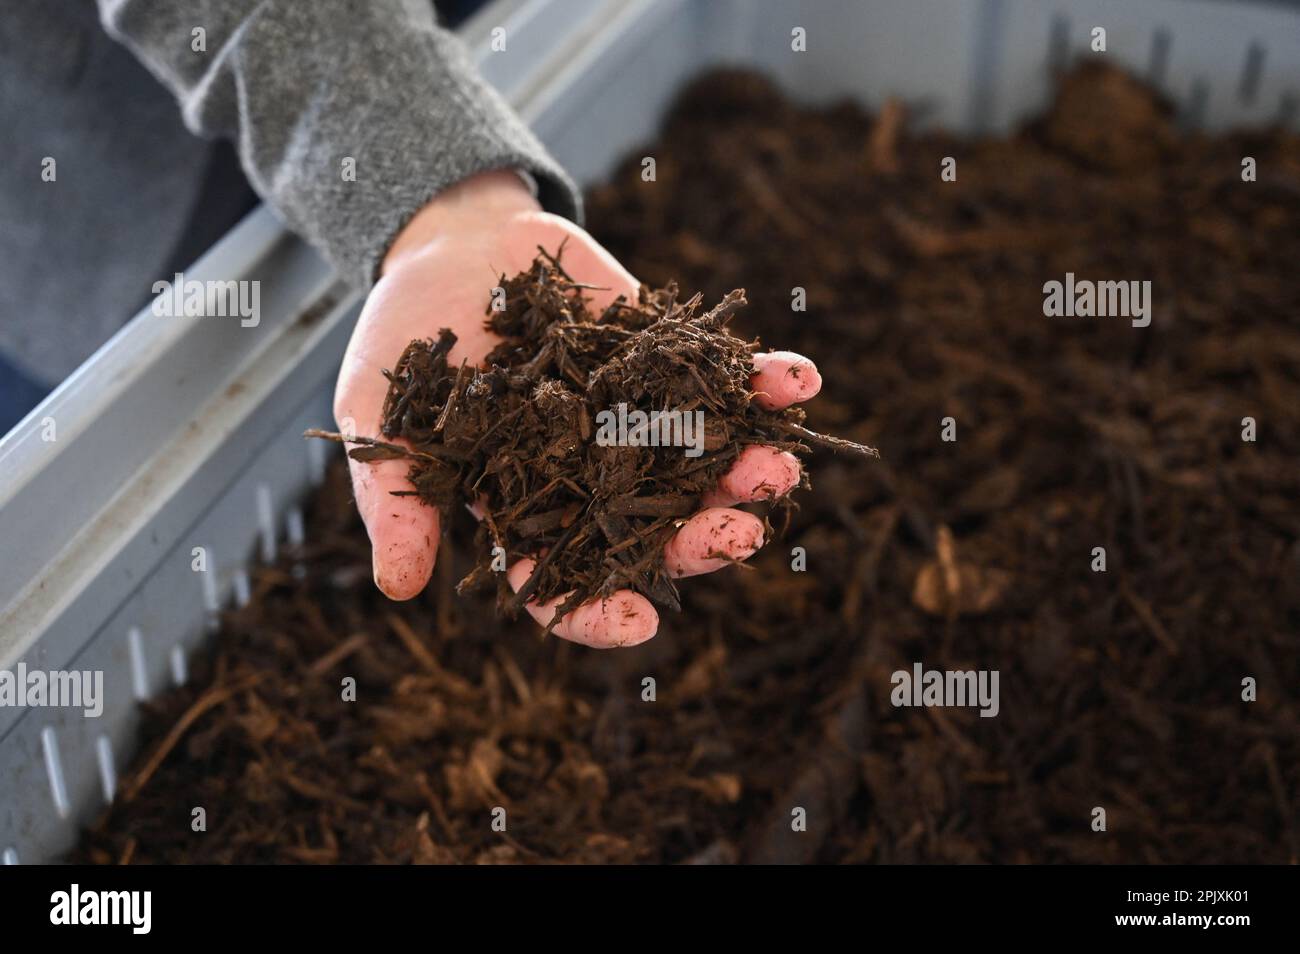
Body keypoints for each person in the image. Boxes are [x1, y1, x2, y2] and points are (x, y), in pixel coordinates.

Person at [3, 0, 823, 646]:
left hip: (404, 48)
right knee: (101, 444)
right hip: (110, 181)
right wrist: (436, 185)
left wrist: (451, 200)